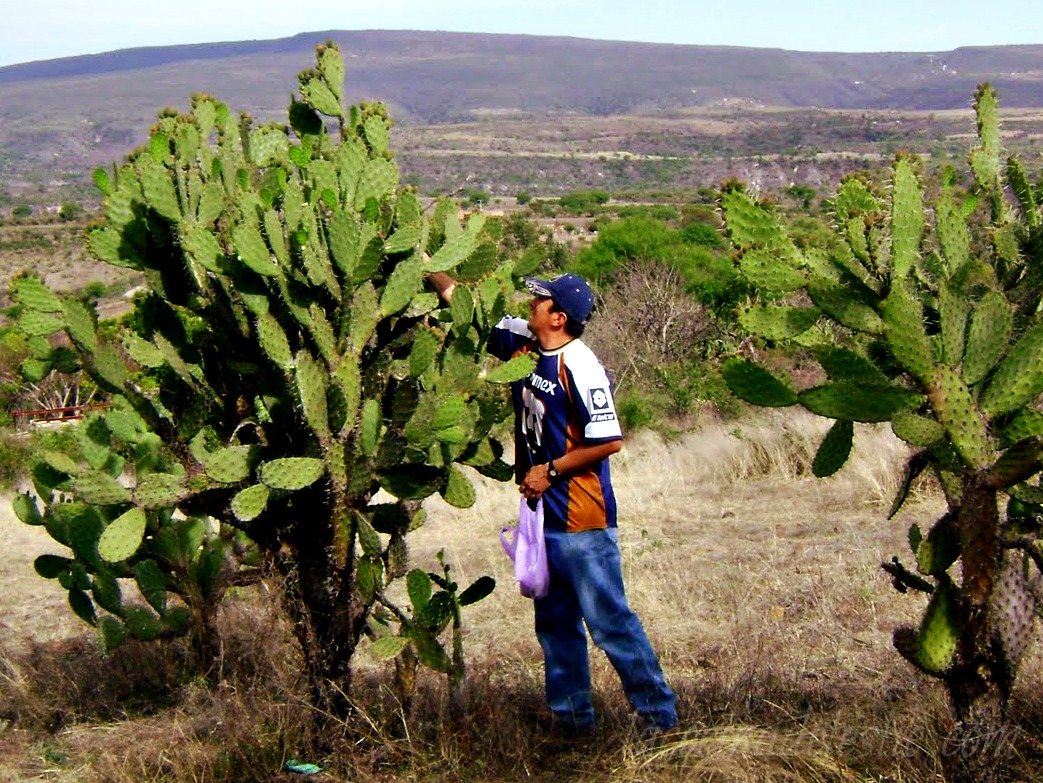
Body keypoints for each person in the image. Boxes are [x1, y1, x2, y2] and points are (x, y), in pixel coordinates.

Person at [480, 271, 679, 737]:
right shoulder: (523, 347)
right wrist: (428, 262)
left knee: (609, 622)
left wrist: (548, 470)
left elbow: (609, 441)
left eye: (540, 300)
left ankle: (659, 718)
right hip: (541, 516)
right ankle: (571, 721)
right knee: (555, 624)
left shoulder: (581, 365)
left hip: (581, 518)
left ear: (559, 316)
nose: (531, 303)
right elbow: (461, 306)